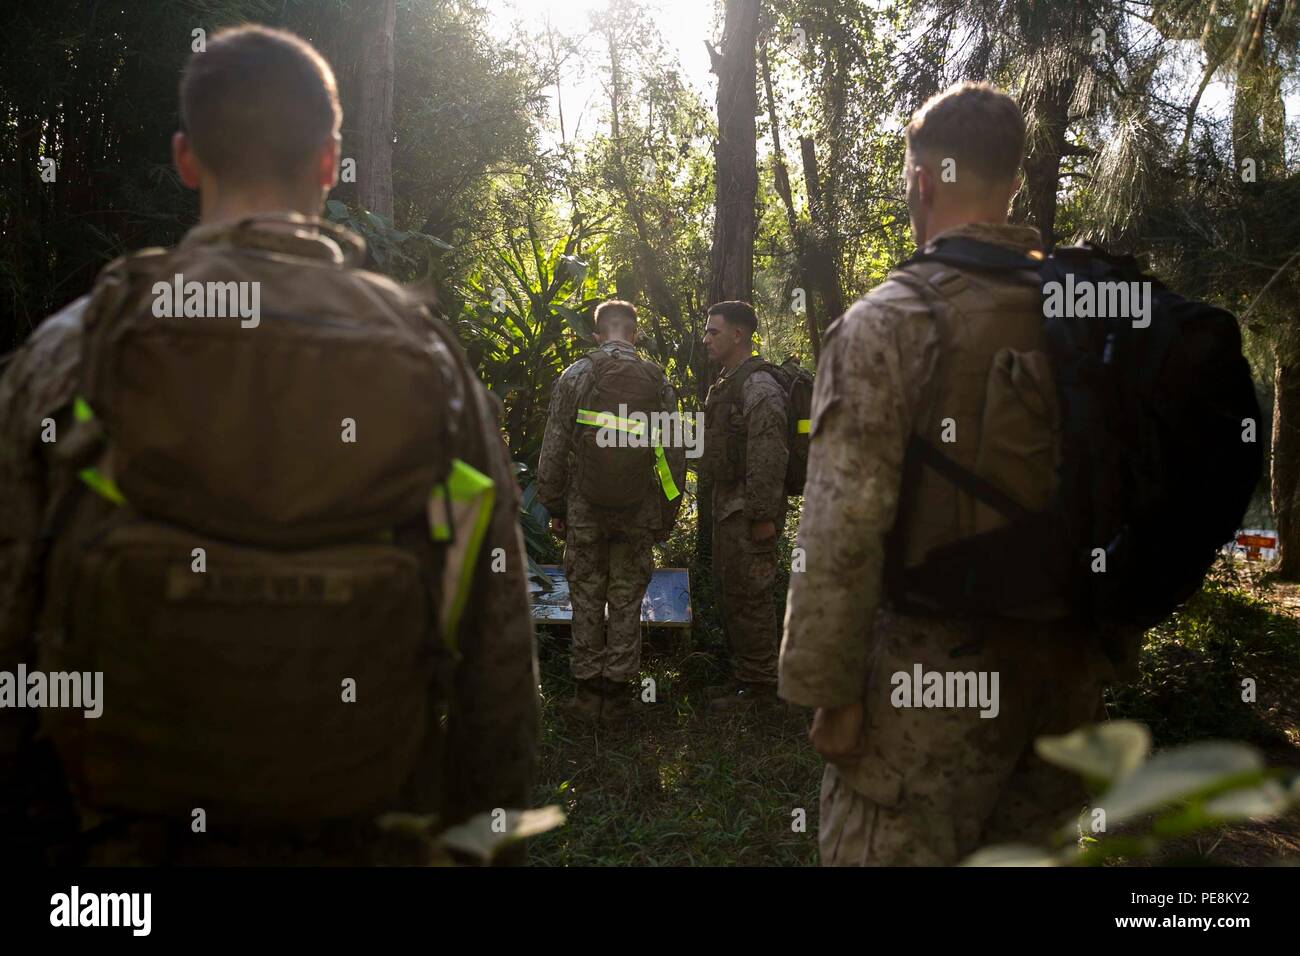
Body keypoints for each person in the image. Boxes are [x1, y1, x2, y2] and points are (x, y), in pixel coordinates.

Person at [0, 24, 539, 865]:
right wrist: (476, 827)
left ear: (186, 157)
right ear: (330, 162)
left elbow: (10, 602)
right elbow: (496, 636)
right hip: (362, 832)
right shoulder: (429, 362)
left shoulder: (76, 350)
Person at [779, 81, 1120, 865]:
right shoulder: (1087, 315)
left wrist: (830, 694)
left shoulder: (889, 321)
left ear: (922, 181)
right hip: (1064, 685)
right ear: (1010, 181)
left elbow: (842, 526)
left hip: (929, 686)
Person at [537, 300, 685, 722]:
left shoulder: (576, 375)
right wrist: (666, 514)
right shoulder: (657, 380)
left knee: (585, 596)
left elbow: (555, 444)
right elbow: (673, 452)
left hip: (585, 506)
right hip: (638, 509)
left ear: (598, 334)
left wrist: (554, 504)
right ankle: (619, 699)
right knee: (626, 600)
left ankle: (587, 698)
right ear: (634, 334)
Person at [700, 300, 789, 711]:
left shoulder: (758, 386)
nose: (706, 339)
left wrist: (761, 516)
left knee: (751, 596)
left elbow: (768, 454)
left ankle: (762, 690)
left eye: (713, 331)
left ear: (739, 334)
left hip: (748, 513)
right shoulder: (727, 381)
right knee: (732, 592)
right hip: (728, 509)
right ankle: (746, 679)